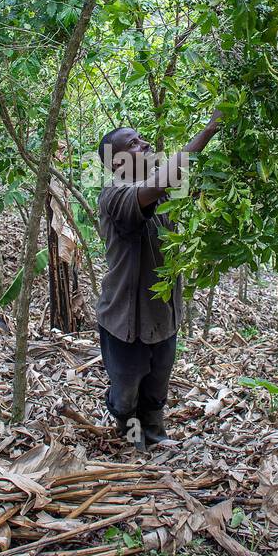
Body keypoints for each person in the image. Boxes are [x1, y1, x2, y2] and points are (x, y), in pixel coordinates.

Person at [93, 111, 222, 450]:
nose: (144, 143)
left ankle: (154, 434)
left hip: (162, 313)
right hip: (123, 319)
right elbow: (160, 182)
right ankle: (130, 433)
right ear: (118, 162)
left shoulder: (165, 193)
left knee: (157, 384)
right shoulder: (114, 195)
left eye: (141, 138)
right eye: (132, 144)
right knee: (127, 387)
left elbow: (194, 185)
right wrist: (207, 129)